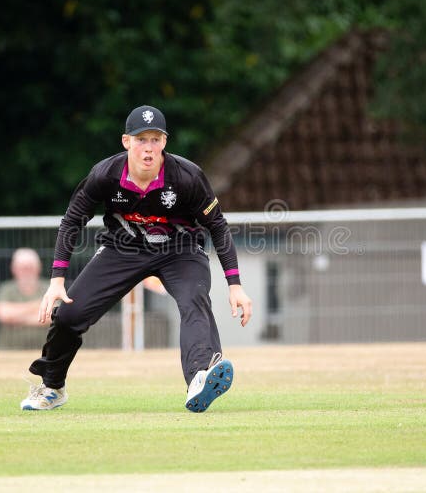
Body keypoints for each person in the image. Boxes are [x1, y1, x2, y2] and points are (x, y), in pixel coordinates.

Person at [20, 105, 252, 413]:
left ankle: (200, 376)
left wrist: (235, 284)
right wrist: (56, 280)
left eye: (156, 139)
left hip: (180, 251)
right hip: (123, 247)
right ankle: (52, 388)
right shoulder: (105, 175)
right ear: (126, 141)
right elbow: (72, 220)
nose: (149, 148)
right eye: (141, 139)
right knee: (69, 316)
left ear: (165, 142)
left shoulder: (187, 176)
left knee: (194, 300)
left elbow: (218, 226)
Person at [0, 248, 51, 350]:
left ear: (39, 268)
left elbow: (53, 317)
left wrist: (16, 317)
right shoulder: (6, 289)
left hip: (45, 350)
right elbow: (4, 315)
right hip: (10, 351)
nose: (27, 271)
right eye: (23, 268)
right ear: (13, 269)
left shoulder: (50, 288)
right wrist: (37, 305)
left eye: (30, 267)